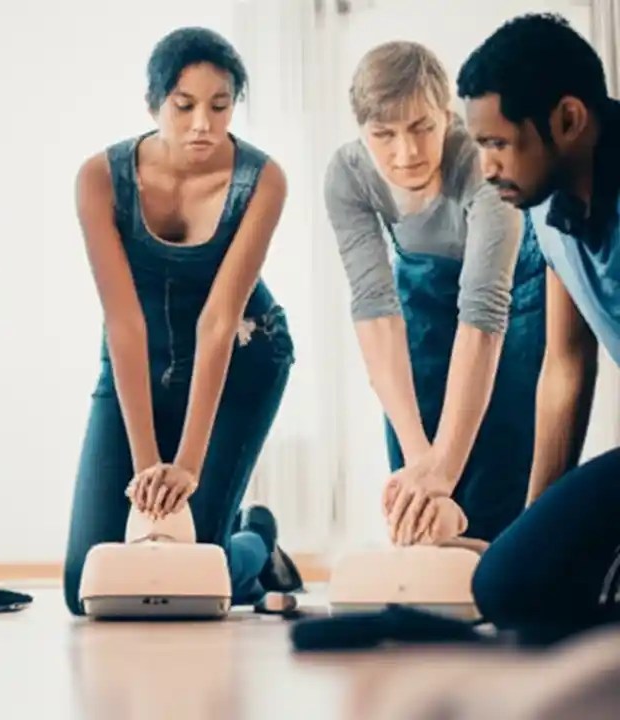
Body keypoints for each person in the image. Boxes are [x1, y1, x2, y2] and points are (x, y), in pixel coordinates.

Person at [62, 27, 302, 615]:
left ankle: (258, 543)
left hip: (242, 359)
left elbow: (220, 320)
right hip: (137, 356)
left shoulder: (262, 180)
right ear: (153, 104)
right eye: (184, 105)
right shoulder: (100, 178)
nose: (203, 123)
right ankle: (245, 538)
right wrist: (148, 465)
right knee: (86, 585)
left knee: (197, 572)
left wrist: (186, 466)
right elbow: (123, 324)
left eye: (220, 107)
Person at [323, 41, 546, 546]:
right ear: (362, 132)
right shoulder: (348, 175)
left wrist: (445, 469)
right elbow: (375, 310)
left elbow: (483, 313)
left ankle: (494, 567)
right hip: (421, 292)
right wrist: (424, 465)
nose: (407, 153)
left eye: (423, 128)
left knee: (494, 479)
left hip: (512, 296)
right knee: (417, 494)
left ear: (446, 115)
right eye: (384, 135)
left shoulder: (490, 167)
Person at [456, 12, 620, 641]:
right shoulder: (546, 213)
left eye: (499, 144)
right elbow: (567, 364)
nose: (487, 165)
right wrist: (536, 522)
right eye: (479, 146)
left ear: (568, 120)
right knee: (510, 585)